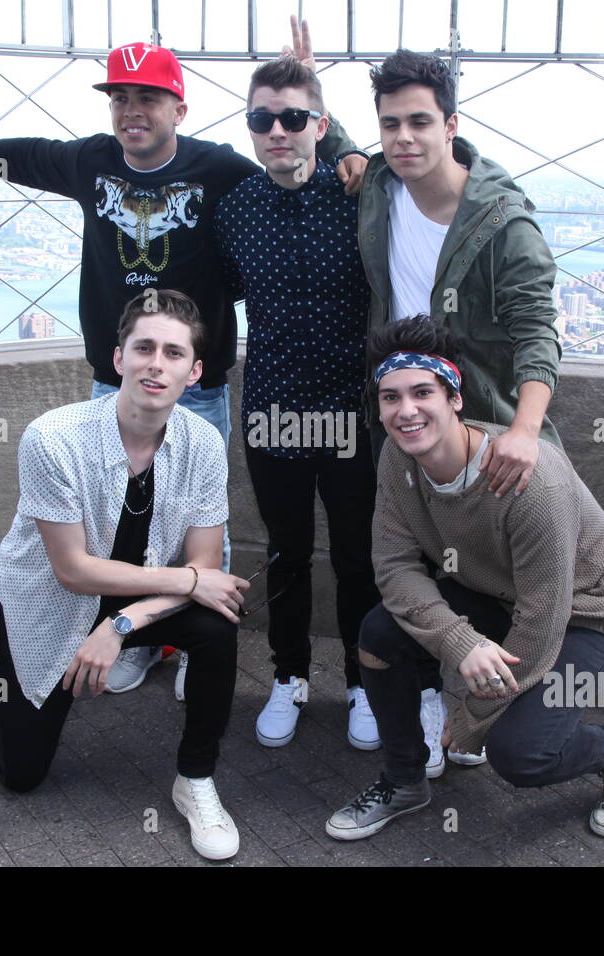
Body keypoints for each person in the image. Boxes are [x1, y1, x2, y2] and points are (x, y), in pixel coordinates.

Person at [0, 25, 367, 697]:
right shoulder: (91, 162)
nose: (133, 111)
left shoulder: (221, 169)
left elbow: (291, 165)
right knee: (115, 525)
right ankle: (136, 637)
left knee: (201, 524)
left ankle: (200, 640)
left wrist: (342, 146)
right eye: (121, 99)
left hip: (199, 386)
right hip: (113, 382)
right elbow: (27, 156)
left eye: (150, 98)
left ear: (179, 109)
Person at [324, 316, 604, 842]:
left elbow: (544, 619)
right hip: (491, 592)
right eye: (390, 397)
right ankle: (404, 779)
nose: (406, 412)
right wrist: (461, 641)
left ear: (455, 399)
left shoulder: (531, 483)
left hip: (583, 615)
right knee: (380, 633)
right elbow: (395, 568)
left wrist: (475, 715)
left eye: (422, 392)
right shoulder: (396, 458)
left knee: (522, 756)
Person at [0, 289, 251, 860]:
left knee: (218, 627)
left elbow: (203, 565)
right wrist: (192, 582)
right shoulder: (53, 438)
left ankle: (195, 779)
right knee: (18, 775)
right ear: (117, 358)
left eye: (174, 353)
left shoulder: (203, 443)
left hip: (140, 597)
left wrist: (121, 626)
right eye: (143, 347)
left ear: (194, 372)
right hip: (52, 598)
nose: (156, 363)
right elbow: (74, 571)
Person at [212, 55, 382, 753]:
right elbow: (216, 297)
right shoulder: (236, 211)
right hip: (275, 409)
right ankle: (288, 676)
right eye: (261, 119)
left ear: (319, 123)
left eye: (291, 117)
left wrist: (354, 154)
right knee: (286, 554)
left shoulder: (361, 196)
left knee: (357, 557)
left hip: (349, 409)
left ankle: (365, 683)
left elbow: (445, 165)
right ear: (250, 128)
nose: (276, 130)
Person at [358, 50, 563, 499]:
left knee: (489, 564)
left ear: (451, 126)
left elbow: (536, 332)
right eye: (390, 125)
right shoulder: (378, 188)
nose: (404, 138)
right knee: (406, 558)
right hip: (402, 422)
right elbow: (326, 148)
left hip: (482, 431)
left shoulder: (504, 225)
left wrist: (525, 432)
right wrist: (312, 97)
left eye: (420, 122)